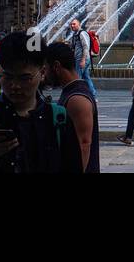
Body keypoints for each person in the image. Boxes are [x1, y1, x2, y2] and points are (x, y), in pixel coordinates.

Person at [0, 30, 82, 174]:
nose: (15, 85)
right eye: (7, 77)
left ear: (42, 73)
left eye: (25, 78)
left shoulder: (58, 119)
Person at [44, 42, 100, 173]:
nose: (44, 74)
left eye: (45, 68)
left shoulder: (77, 99)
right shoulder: (71, 92)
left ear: (56, 66)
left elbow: (84, 144)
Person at [67, 18, 96, 96]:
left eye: (74, 24)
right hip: (80, 59)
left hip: (82, 59)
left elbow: (86, 47)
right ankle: (93, 95)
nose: (72, 26)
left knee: (77, 78)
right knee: (86, 78)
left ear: (79, 24)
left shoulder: (82, 33)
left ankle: (76, 94)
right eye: (71, 24)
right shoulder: (75, 34)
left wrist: (83, 60)